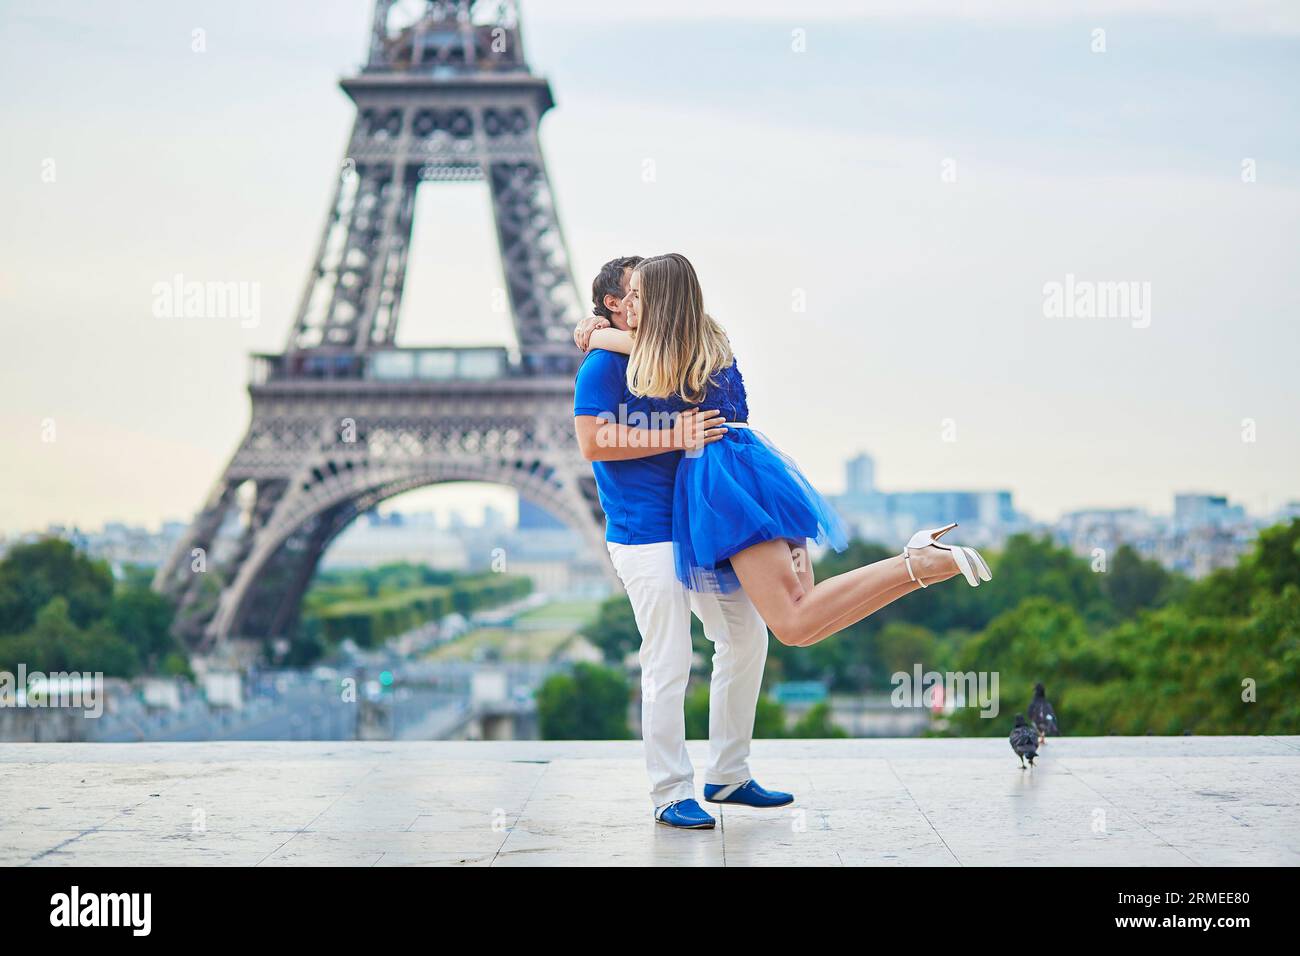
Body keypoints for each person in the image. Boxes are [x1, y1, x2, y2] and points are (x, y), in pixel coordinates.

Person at [578, 252, 993, 651]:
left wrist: (594, 332)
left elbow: (645, 353)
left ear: (661, 304)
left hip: (724, 484)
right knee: (803, 623)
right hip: (758, 473)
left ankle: (915, 561)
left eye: (637, 296)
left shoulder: (668, 350)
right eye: (626, 296)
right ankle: (916, 569)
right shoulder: (709, 336)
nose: (627, 304)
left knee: (794, 620)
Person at [572, 256, 794, 831]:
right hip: (645, 531)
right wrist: (675, 432)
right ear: (615, 306)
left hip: (702, 524)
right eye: (633, 294)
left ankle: (729, 772)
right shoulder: (601, 365)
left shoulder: (676, 357)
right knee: (669, 658)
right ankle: (670, 790)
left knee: (746, 638)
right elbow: (593, 443)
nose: (643, 303)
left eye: (651, 293)